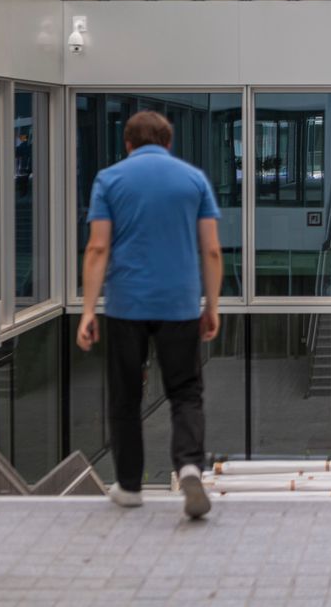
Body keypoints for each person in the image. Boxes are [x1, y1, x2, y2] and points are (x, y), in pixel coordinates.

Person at [77, 111, 222, 520]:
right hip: (178, 303)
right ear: (169, 142)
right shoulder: (193, 180)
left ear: (127, 144)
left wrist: (89, 310)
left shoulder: (109, 180)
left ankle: (128, 486)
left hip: (126, 304)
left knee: (125, 394)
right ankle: (190, 466)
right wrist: (211, 305)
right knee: (186, 392)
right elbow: (211, 249)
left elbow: (97, 248)